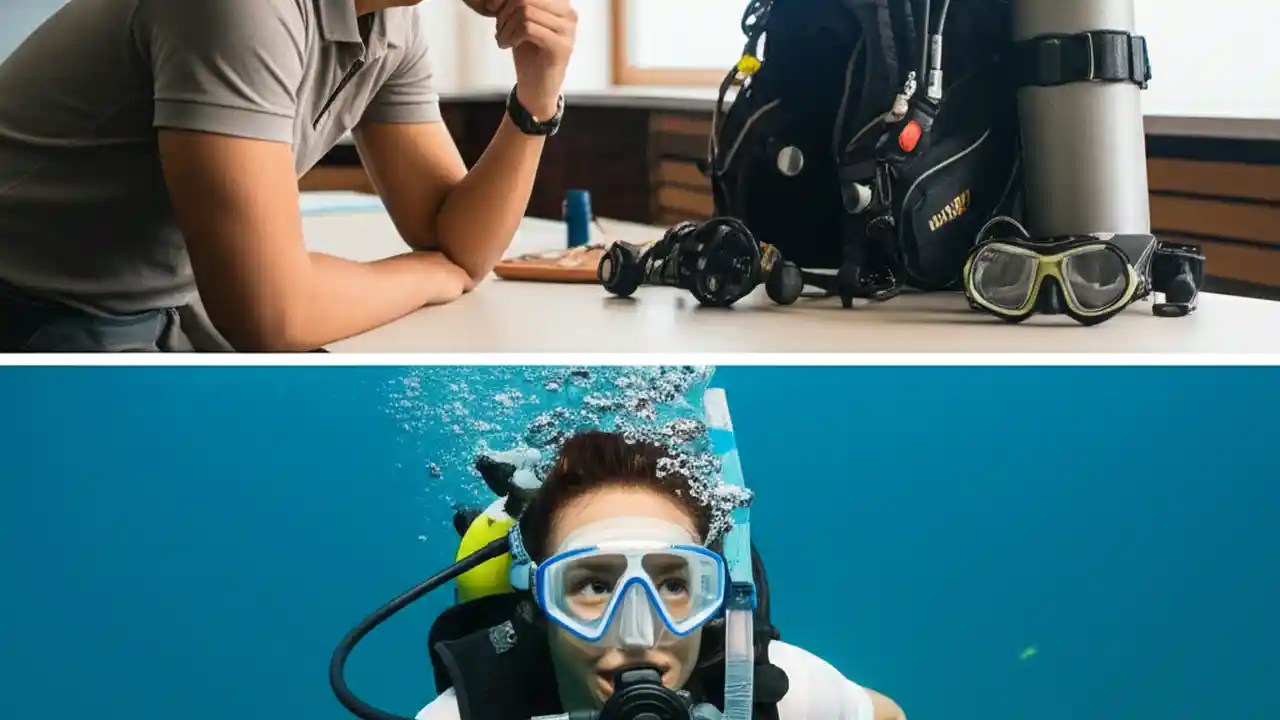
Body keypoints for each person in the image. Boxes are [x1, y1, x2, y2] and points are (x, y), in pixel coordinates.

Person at [0, 0, 577, 351]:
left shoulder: (393, 25)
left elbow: (457, 241)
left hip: (162, 304)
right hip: (41, 312)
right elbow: (271, 314)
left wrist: (539, 90)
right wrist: (430, 276)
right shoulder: (239, 9)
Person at [418, 431, 908, 720]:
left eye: (673, 584)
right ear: (540, 607)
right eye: (595, 585)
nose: (637, 635)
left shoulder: (775, 692)